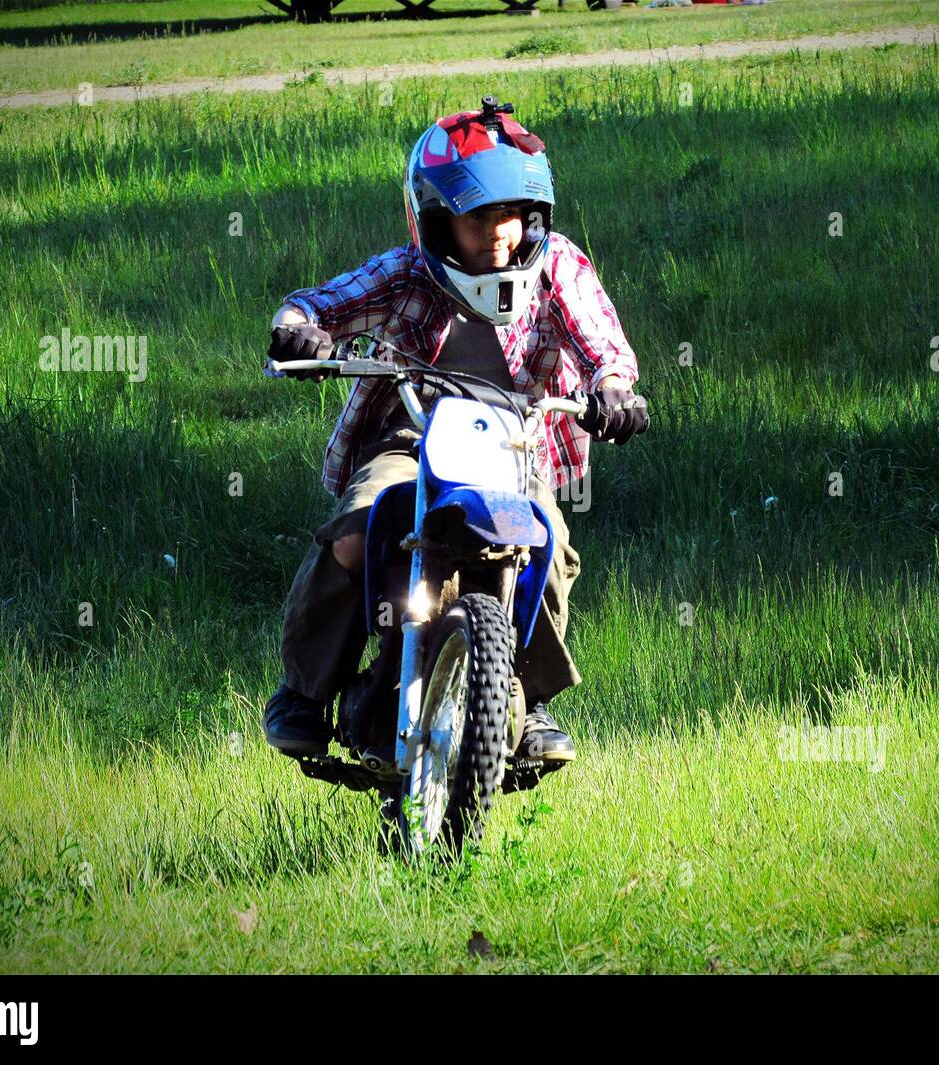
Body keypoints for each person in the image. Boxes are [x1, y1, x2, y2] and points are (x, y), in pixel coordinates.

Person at [262, 96, 650, 768]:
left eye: (509, 215)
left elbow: (603, 344)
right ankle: (303, 691)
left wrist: (613, 390)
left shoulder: (558, 267)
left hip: (517, 449)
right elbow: (324, 300)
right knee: (359, 530)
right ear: (437, 222)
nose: (497, 233)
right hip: (412, 438)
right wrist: (300, 325)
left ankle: (524, 705)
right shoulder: (410, 273)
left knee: (548, 549)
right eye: (476, 218)